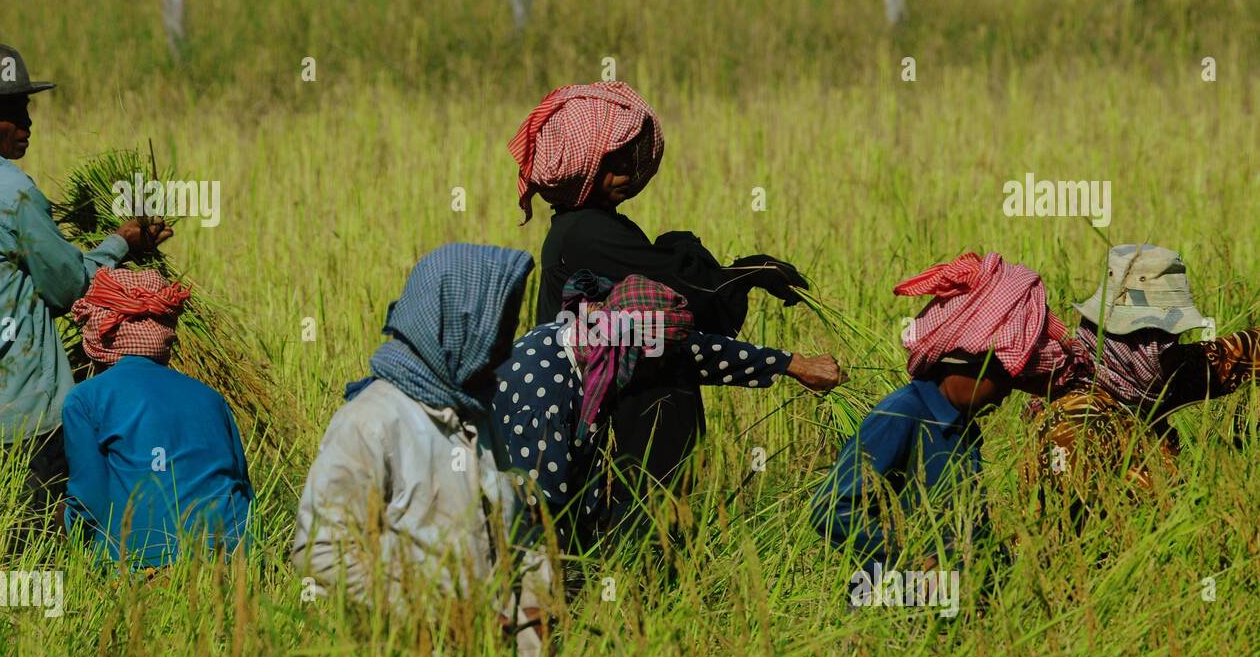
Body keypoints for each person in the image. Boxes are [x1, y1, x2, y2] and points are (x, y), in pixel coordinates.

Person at [508, 81, 828, 526]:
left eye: (628, 159)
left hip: (627, 427)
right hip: (622, 427)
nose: (626, 171)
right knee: (635, 536)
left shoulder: (591, 227)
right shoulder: (587, 234)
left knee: (642, 536)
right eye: (612, 161)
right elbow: (685, 302)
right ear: (579, 166)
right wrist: (748, 277)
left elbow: (670, 315)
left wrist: (746, 275)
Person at [293, 244, 551, 657]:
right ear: (454, 325)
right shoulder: (370, 423)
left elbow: (522, 537)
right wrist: (444, 616)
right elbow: (321, 552)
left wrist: (538, 610)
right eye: (497, 330)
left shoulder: (479, 420)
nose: (505, 350)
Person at [0, 42, 171, 519]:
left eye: (26, 108)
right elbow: (71, 286)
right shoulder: (11, 193)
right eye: (11, 112)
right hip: (25, 415)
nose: (26, 123)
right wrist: (121, 243)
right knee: (43, 536)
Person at [493, 270, 843, 546]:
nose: (666, 369)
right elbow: (537, 514)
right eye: (659, 362)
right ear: (631, 360)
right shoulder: (542, 400)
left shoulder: (598, 333)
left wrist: (792, 364)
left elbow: (699, 351)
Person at [811, 252, 1069, 573]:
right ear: (960, 366)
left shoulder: (964, 426)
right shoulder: (902, 414)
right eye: (1002, 379)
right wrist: (907, 561)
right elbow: (830, 508)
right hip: (901, 610)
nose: (1006, 392)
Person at [1025, 244, 1260, 502]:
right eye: (1168, 340)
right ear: (1139, 343)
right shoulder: (1073, 425)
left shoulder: (1140, 378)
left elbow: (1237, 354)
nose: (1176, 350)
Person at [60, 268, 253, 567]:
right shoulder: (211, 398)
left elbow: (89, 500)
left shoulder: (85, 399)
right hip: (234, 560)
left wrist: (68, 537)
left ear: (101, 331)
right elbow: (242, 484)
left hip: (147, 565)